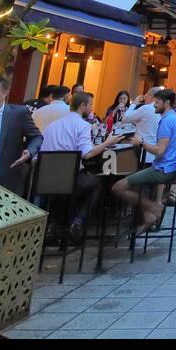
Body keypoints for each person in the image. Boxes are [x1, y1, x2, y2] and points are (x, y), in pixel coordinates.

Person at [42, 91, 125, 242]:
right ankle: (78, 220)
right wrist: (108, 143)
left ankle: (57, 223)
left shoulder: (52, 126)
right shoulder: (82, 125)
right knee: (97, 183)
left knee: (82, 182)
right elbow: (87, 154)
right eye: (90, 105)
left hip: (46, 178)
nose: (92, 109)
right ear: (82, 106)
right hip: (69, 178)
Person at [112, 89, 176, 234]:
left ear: (167, 103)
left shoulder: (166, 122)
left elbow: (159, 150)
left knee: (118, 187)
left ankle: (153, 207)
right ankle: (148, 213)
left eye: (157, 102)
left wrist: (141, 142)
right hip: (170, 166)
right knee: (134, 183)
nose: (154, 105)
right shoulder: (175, 118)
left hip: (163, 169)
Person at [122, 87, 163, 162]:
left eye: (146, 95)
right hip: (155, 152)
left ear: (151, 96)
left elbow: (125, 118)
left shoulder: (147, 108)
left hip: (143, 152)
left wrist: (134, 103)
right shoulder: (163, 109)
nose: (144, 98)